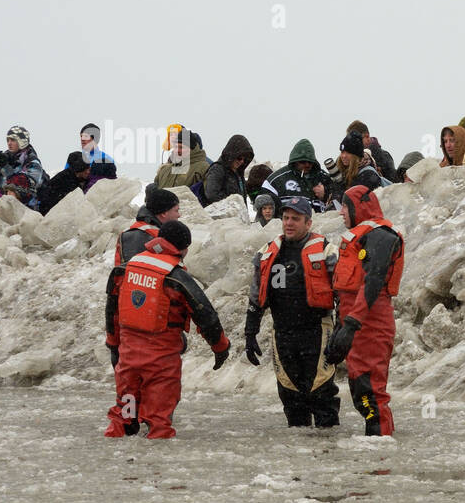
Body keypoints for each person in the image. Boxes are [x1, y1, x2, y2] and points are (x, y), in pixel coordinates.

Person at [104, 221, 230, 439]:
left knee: (123, 418)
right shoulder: (176, 276)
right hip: (161, 363)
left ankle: (114, 459)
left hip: (128, 359)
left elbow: (112, 310)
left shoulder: (126, 268)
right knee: (159, 423)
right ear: (183, 248)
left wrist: (113, 344)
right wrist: (221, 347)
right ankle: (155, 469)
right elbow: (205, 315)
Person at [244, 196, 340, 428]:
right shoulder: (267, 253)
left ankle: (328, 448)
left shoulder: (328, 251)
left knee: (321, 392)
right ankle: (299, 449)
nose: (289, 223)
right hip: (283, 334)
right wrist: (250, 331)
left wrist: (344, 331)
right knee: (290, 393)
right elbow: (257, 294)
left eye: (295, 219)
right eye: (286, 218)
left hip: (317, 330)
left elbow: (344, 293)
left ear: (308, 223)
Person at [325, 183, 405, 436]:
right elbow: (349, 289)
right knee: (362, 390)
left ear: (357, 207)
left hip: (371, 322)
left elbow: (373, 281)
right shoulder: (362, 236)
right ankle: (378, 443)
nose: (341, 213)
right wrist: (341, 328)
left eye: (345, 207)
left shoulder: (381, 235)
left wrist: (351, 325)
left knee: (370, 392)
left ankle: (381, 451)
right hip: (358, 321)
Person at [116, 187, 181, 265]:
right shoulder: (158, 238)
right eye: (176, 210)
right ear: (164, 213)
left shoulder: (127, 233)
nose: (179, 215)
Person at [263, 140, 331, 212]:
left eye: (310, 162)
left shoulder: (323, 177)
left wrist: (325, 193)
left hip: (320, 221)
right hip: (288, 221)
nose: (307, 165)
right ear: (295, 161)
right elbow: (262, 201)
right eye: (303, 161)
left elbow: (340, 197)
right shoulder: (278, 179)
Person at [0, 126, 47, 210]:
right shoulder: (6, 157)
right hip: (4, 205)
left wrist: (6, 168)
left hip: (28, 208)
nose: (9, 143)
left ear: (22, 141)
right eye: (8, 140)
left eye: (12, 140)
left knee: (12, 190)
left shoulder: (32, 161)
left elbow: (24, 183)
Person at [152, 125, 209, 191]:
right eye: (176, 147)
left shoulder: (203, 169)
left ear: (192, 149)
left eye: (181, 147)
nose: (177, 150)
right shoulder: (164, 170)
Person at [202, 134, 254, 206]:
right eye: (239, 158)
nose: (242, 161)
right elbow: (211, 194)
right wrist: (233, 204)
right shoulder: (218, 169)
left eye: (244, 159)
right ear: (232, 155)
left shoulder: (239, 173)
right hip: (223, 215)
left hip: (239, 215)